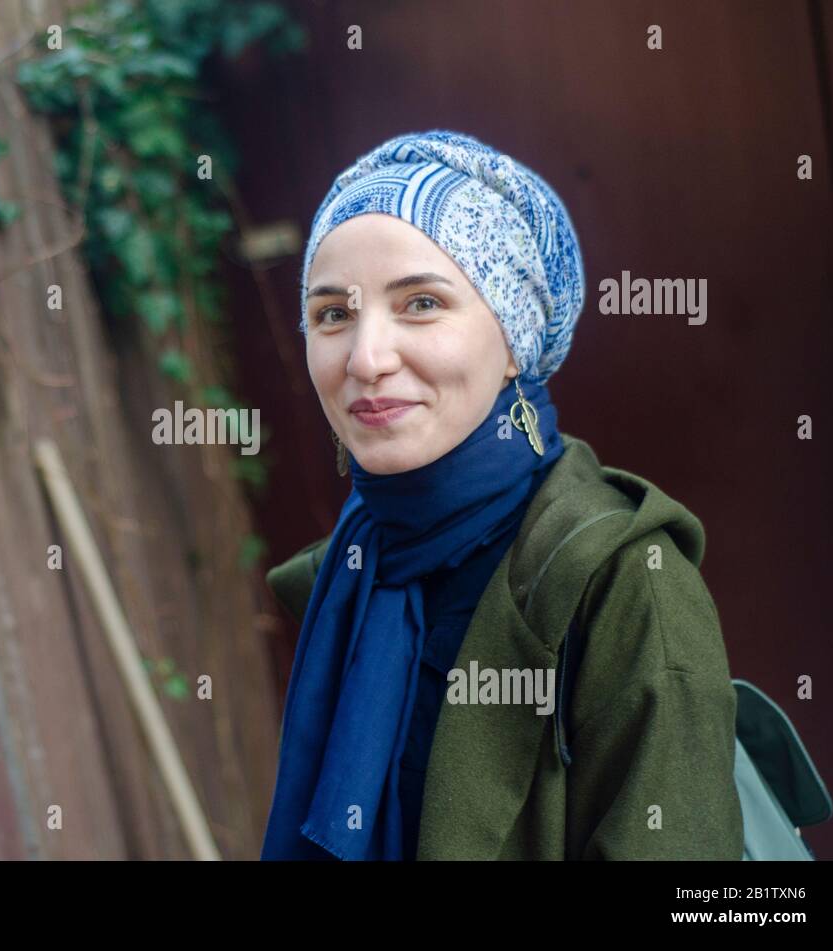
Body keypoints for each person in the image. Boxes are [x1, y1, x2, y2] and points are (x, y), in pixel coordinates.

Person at [261, 130, 742, 860]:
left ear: (515, 337)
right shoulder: (353, 572)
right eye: (333, 314)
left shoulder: (624, 587)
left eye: (420, 302)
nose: (365, 357)